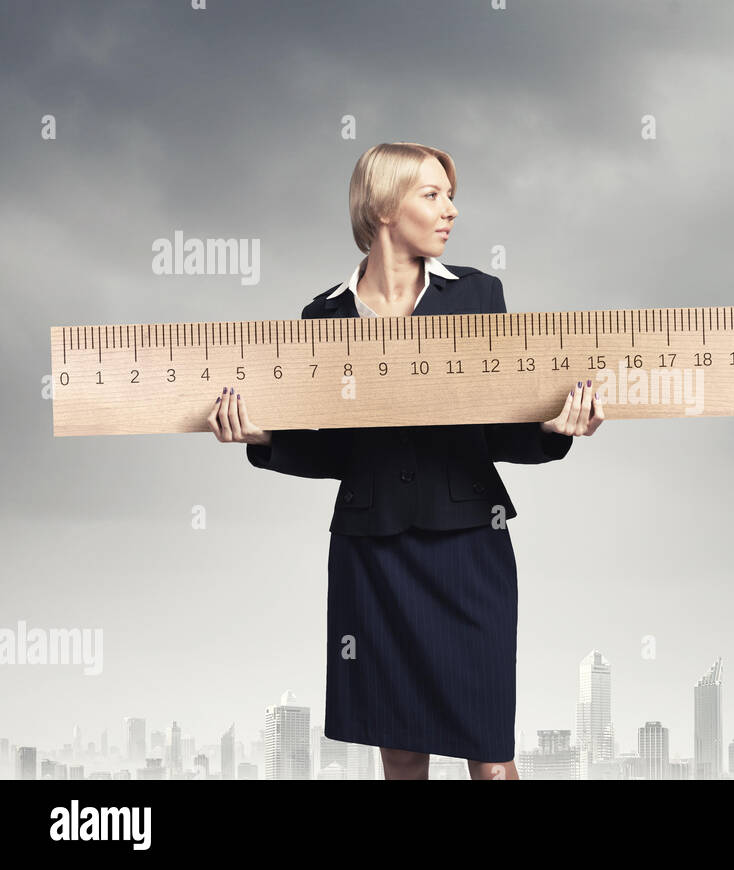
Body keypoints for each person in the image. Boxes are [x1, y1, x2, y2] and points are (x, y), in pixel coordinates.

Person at [206, 142, 603, 780]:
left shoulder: (478, 296)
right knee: (399, 753)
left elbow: (496, 431)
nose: (450, 210)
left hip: (471, 547)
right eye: (433, 195)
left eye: (450, 195)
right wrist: (263, 439)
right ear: (386, 206)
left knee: (491, 755)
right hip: (373, 551)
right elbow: (338, 451)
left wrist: (557, 431)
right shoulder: (324, 318)